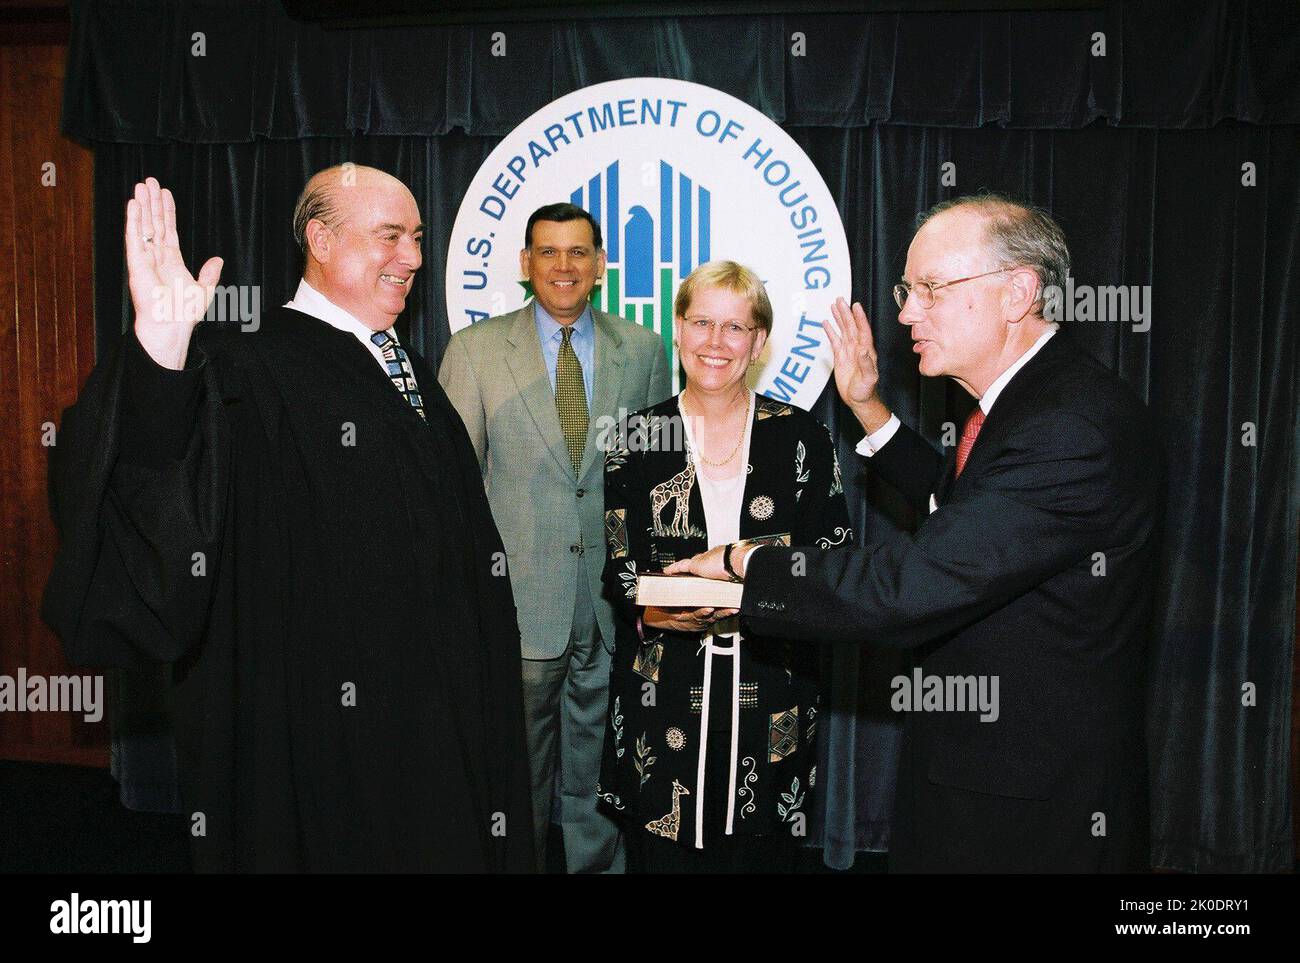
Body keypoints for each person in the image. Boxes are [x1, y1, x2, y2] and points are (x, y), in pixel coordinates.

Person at [42, 169, 534, 872]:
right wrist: (159, 353)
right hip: (326, 749)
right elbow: (159, 485)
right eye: (390, 236)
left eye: (418, 238)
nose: (414, 258)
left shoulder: (411, 371)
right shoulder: (247, 369)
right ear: (321, 239)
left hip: (439, 726)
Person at [670, 195, 1160, 872]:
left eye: (930, 288)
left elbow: (910, 584)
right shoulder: (1031, 405)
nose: (905, 313)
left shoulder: (1069, 426)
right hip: (985, 779)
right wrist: (868, 407)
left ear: (1017, 292)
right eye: (908, 290)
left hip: (1029, 813)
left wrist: (746, 562)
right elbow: (964, 509)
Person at [598, 260, 852, 873]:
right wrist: (655, 610)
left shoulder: (801, 438)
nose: (716, 342)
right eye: (702, 323)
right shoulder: (638, 436)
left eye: (736, 328)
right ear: (678, 330)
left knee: (760, 855)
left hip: (772, 688)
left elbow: (833, 559)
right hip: (663, 691)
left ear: (759, 342)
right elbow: (620, 565)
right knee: (662, 857)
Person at [438, 203, 670, 873]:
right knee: (517, 773)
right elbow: (455, 493)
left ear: (600, 265)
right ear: (525, 263)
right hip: (516, 608)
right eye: (547, 251)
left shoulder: (644, 350)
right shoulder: (476, 352)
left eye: (577, 252)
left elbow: (651, 485)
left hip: (606, 607)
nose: (563, 266)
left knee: (599, 767)